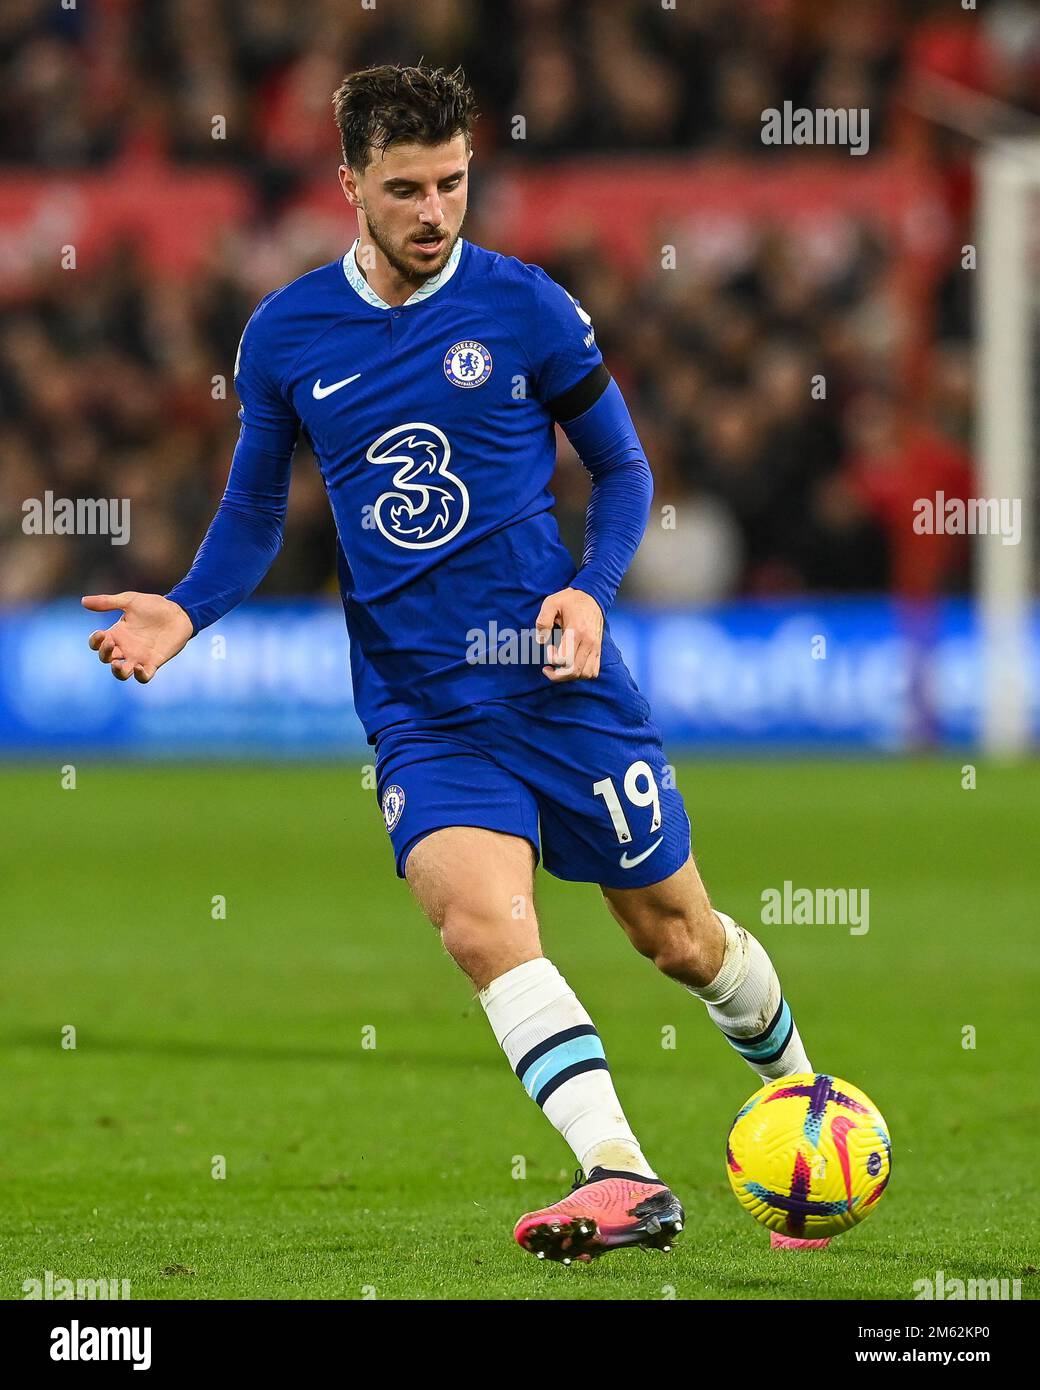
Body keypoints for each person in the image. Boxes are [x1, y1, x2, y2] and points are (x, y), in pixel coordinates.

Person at [83, 64, 822, 1262]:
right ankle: (620, 1173)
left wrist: (590, 587)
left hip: (556, 684)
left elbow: (624, 471)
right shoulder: (284, 335)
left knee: (677, 939)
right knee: (482, 925)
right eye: (406, 189)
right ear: (349, 188)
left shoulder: (525, 308)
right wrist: (184, 608)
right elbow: (258, 514)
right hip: (423, 709)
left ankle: (801, 1106)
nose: (435, 212)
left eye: (453, 184)